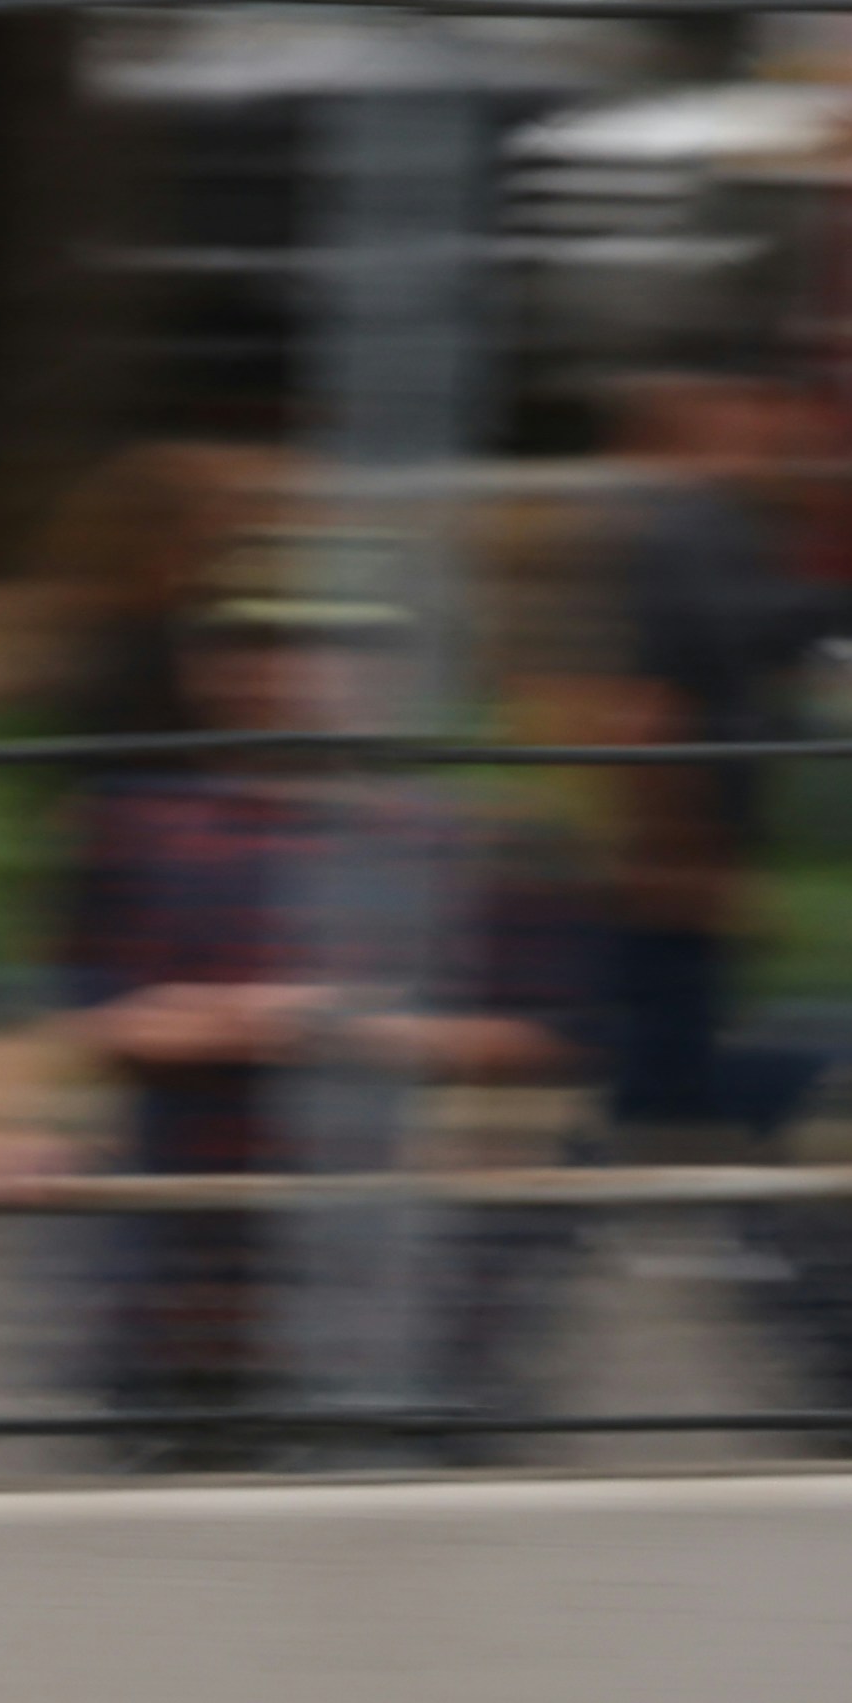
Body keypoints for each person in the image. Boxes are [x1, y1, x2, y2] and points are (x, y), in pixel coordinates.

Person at [432, 359, 852, 1445]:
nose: (786, 434)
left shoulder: (659, 531)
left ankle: (467, 1390)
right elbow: (641, 714)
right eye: (762, 406)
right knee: (717, 1125)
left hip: (621, 889)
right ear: (700, 413)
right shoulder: (676, 534)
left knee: (634, 1131)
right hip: (644, 896)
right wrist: (679, 869)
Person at [46, 590, 581, 1457]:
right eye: (255, 646)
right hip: (189, 1269)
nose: (286, 672)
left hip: (408, 1268)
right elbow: (83, 1026)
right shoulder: (140, 826)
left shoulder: (473, 838)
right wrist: (288, 1022)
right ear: (204, 670)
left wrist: (316, 1025)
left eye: (330, 647)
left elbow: (541, 1040)